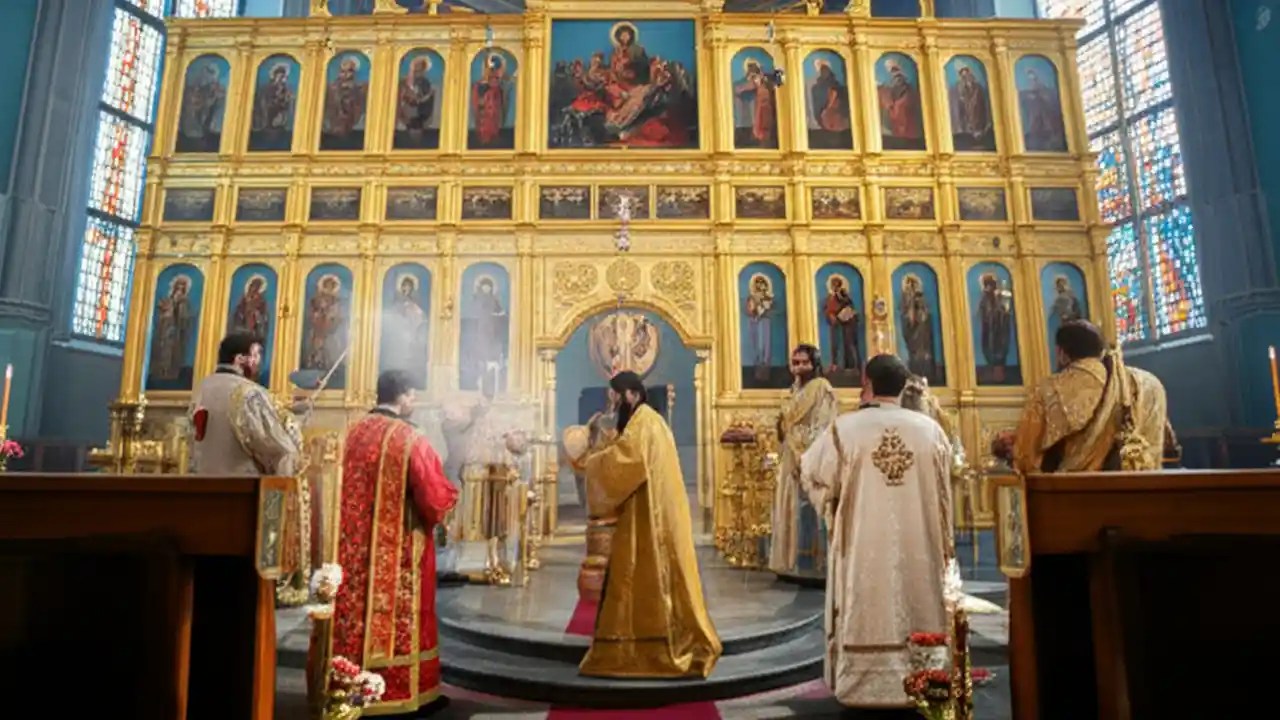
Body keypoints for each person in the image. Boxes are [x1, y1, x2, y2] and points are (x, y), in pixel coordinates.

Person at [800, 354, 955, 711]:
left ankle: (865, 680)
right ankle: (926, 677)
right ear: (903, 386)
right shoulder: (931, 430)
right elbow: (945, 496)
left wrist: (831, 505)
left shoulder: (845, 429)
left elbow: (813, 475)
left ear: (866, 383)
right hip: (921, 544)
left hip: (862, 546)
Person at [331, 370, 459, 716]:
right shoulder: (409, 438)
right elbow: (434, 497)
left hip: (351, 548)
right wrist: (452, 499)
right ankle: (403, 695)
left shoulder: (353, 432)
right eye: (413, 396)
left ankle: (350, 690)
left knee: (353, 620)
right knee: (406, 619)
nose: (414, 403)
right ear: (402, 396)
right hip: (397, 550)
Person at [580, 370, 722, 678]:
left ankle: (649, 647)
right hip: (646, 510)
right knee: (636, 574)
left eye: (616, 396)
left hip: (650, 515)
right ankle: (639, 643)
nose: (613, 403)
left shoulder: (644, 423)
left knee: (644, 574)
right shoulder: (645, 421)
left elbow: (627, 461)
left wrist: (591, 463)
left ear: (631, 394)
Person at [1013, 320, 1167, 474]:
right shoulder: (1147, 383)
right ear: (1101, 350)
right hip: (1142, 487)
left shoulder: (1049, 389)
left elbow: (1026, 457)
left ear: (1061, 353)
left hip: (1074, 492)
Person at [769, 344, 838, 577]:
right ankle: (791, 562)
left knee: (811, 509)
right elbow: (785, 422)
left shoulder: (821, 388)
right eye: (795, 362)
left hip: (809, 457)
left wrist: (805, 453)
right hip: (791, 456)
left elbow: (823, 425)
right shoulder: (793, 390)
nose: (799, 367)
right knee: (792, 506)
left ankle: (814, 565)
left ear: (814, 364)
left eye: (804, 363)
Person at [190, 332, 301, 477]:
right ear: (240, 359)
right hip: (241, 486)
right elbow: (275, 447)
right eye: (255, 355)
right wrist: (292, 423)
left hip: (202, 482)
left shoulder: (202, 388)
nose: (259, 361)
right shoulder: (249, 392)